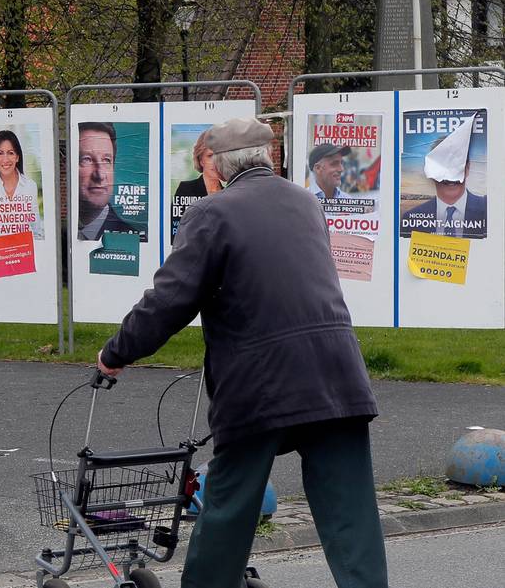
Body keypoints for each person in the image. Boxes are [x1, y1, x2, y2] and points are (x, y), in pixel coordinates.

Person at [96, 117, 387, 588]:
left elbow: (169, 300)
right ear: (265, 159)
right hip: (337, 377)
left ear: (217, 167)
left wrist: (116, 351)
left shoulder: (213, 212)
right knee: (351, 515)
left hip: (261, 386)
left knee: (228, 509)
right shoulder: (306, 203)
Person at [400, 147, 487, 239]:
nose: (451, 175)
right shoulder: (410, 219)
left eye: (456, 166)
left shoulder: (488, 211)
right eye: (443, 167)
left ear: (467, 168)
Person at [75, 122, 138, 241]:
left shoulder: (134, 239)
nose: (100, 175)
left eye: (106, 160)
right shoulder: (58, 234)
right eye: (87, 159)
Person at [0, 130, 41, 238]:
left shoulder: (30, 186)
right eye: (0, 153)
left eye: (10, 153)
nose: (5, 159)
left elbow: (36, 231)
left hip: (23, 252)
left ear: (17, 157)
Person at [170, 128, 222, 241]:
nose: (215, 162)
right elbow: (175, 230)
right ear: (201, 160)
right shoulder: (186, 189)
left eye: (219, 156)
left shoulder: (230, 192)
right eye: (210, 156)